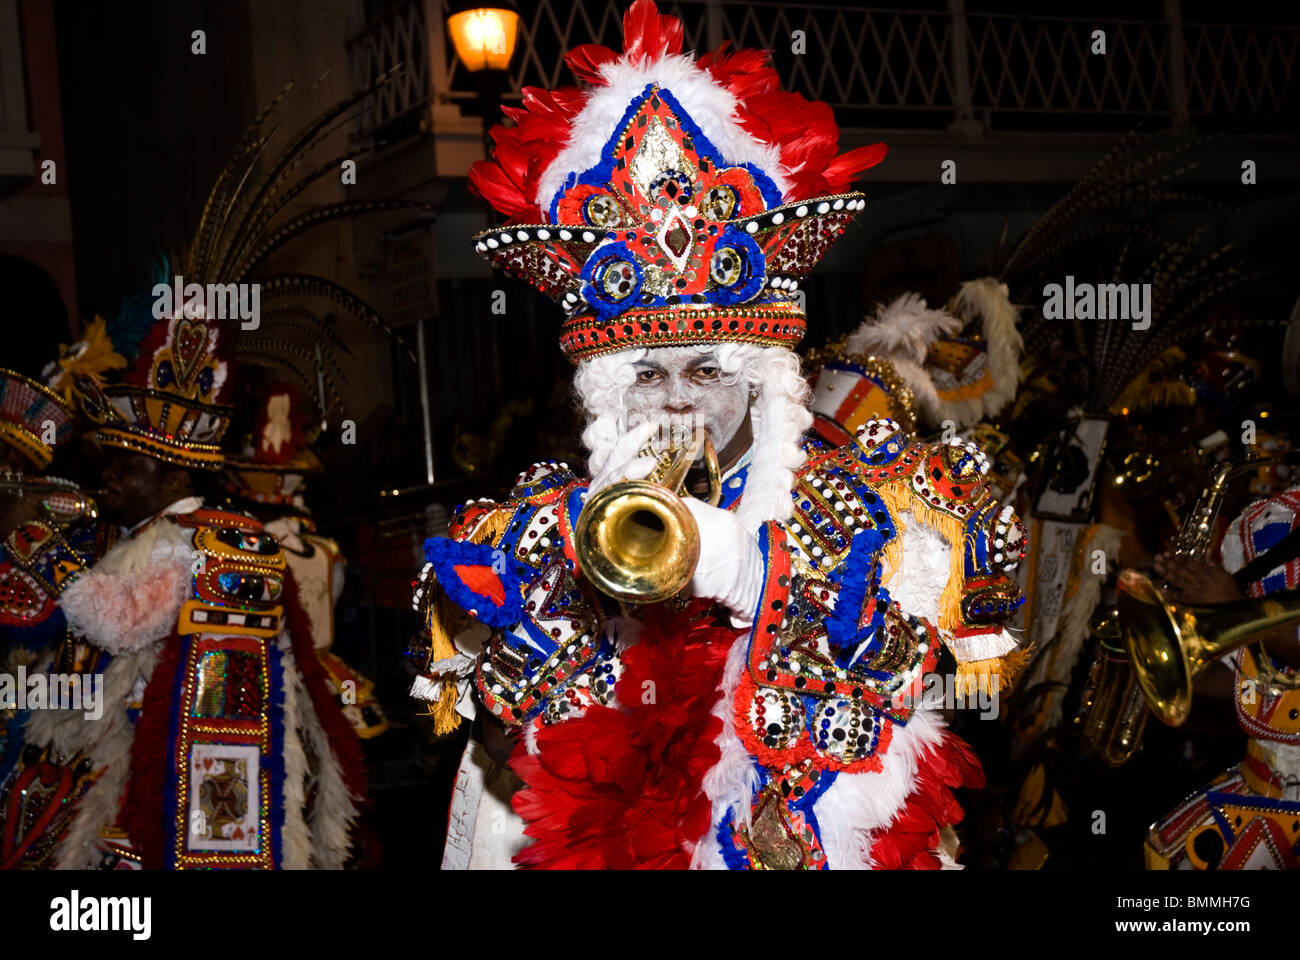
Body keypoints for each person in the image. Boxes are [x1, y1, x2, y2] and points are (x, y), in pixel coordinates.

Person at [409, 0, 1027, 870]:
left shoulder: (872, 500)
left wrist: (747, 569)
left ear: (758, 376)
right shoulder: (539, 522)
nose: (676, 404)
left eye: (705, 372)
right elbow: (504, 749)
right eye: (646, 377)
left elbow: (923, 686)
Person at [1144, 486, 1300, 869]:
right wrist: (1167, 662)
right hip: (1262, 782)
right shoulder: (1270, 520)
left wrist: (1235, 606)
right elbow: (1256, 679)